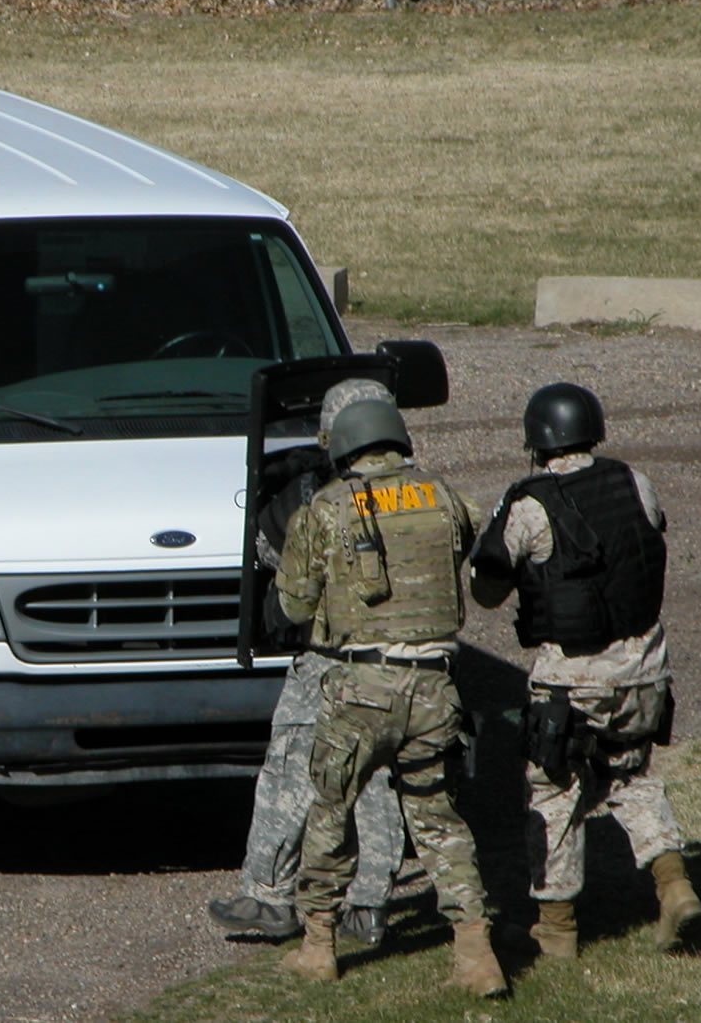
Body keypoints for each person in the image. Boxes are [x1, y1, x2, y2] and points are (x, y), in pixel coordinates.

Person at [275, 399, 507, 997]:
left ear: (344, 446)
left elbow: (295, 607)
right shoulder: (443, 495)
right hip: (435, 687)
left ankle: (318, 944)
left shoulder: (325, 508)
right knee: (437, 818)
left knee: (331, 810)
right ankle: (476, 954)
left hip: (361, 689)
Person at [469, 382, 701, 958]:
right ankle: (675, 888)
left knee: (554, 793)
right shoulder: (634, 482)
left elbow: (486, 589)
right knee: (631, 776)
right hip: (646, 668)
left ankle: (556, 929)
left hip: (573, 680)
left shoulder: (529, 504)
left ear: (537, 441)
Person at [208, 379, 407, 945]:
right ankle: (368, 908)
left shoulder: (317, 499)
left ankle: (269, 897)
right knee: (378, 778)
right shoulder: (425, 494)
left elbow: (276, 565)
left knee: (290, 766)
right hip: (405, 664)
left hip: (331, 657)